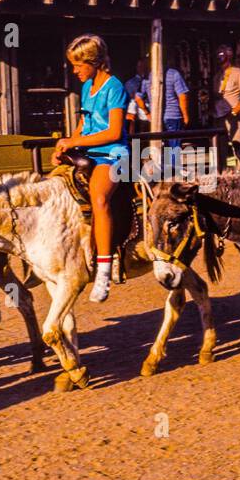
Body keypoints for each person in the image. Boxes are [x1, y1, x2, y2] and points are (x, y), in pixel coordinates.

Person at [53, 34, 129, 303]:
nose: (74, 71)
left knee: (99, 197)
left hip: (115, 155)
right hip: (88, 153)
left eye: (78, 65)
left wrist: (75, 141)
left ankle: (104, 269)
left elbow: (114, 131)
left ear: (94, 62)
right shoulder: (87, 89)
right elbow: (84, 126)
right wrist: (66, 148)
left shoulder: (115, 87)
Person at [135, 58, 190, 149]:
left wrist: (148, 114)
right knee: (174, 147)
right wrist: (185, 115)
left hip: (156, 117)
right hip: (174, 116)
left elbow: (138, 98)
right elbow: (182, 96)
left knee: (162, 147)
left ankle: (165, 163)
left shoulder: (147, 77)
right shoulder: (174, 73)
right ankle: (173, 163)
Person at [211, 44, 240, 147]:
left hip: (233, 117)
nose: (219, 57)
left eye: (221, 54)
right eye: (218, 54)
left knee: (238, 148)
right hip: (218, 117)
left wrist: (234, 112)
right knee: (218, 149)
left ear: (228, 56)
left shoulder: (237, 73)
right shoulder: (217, 76)